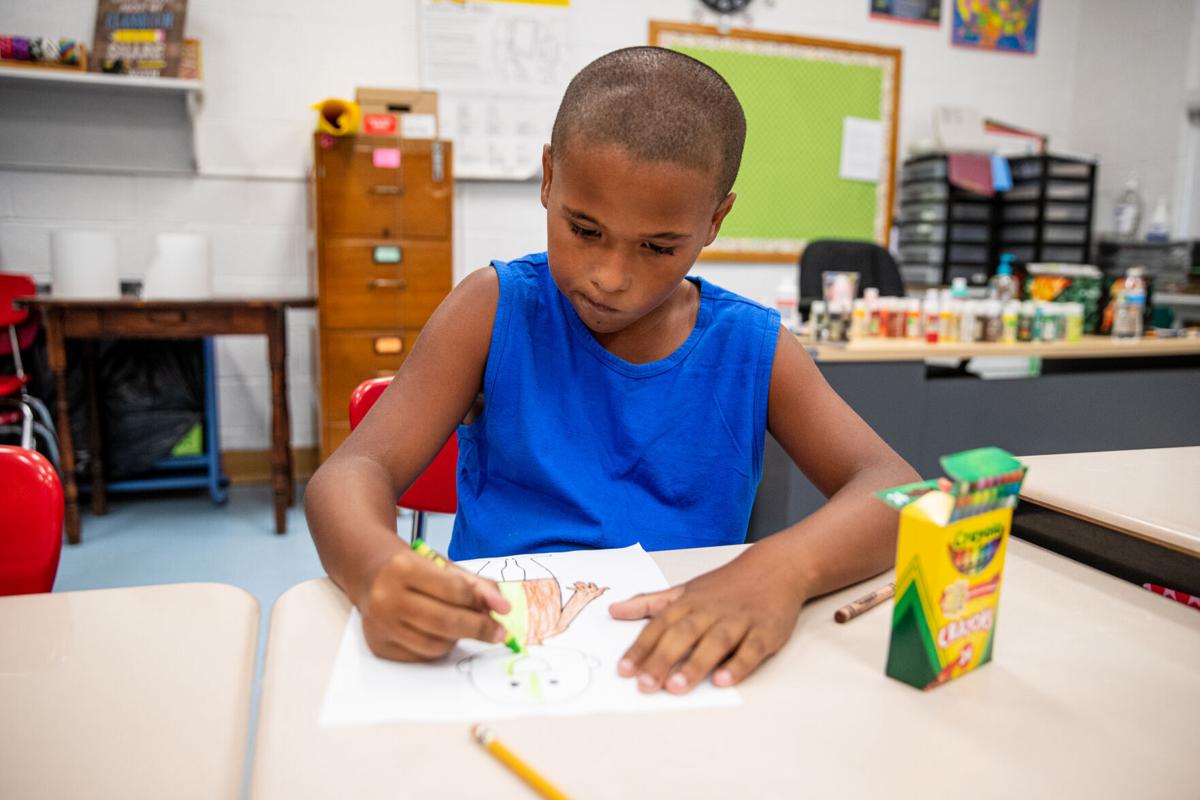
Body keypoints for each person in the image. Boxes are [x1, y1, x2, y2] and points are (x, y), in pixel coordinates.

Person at [304, 46, 918, 695]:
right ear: (548, 177)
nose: (610, 278)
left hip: (676, 662)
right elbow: (349, 473)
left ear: (713, 220)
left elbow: (898, 491)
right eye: (584, 229)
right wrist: (377, 567)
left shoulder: (750, 347)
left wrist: (784, 568)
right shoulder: (491, 310)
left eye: (657, 247)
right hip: (493, 659)